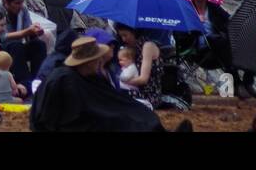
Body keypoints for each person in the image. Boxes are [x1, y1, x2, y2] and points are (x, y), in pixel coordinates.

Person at [32, 36, 163, 132]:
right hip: (75, 123)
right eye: (97, 59)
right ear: (89, 62)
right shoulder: (64, 80)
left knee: (140, 115)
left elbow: (109, 98)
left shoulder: (88, 75)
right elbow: (64, 116)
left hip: (89, 117)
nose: (101, 61)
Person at [1, 0, 47, 89]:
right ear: (5, 2)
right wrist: (25, 32)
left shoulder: (23, 9)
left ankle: (39, 81)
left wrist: (35, 31)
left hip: (19, 46)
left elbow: (28, 29)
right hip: (2, 48)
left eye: (22, 2)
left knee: (39, 44)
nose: (20, 5)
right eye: (17, 3)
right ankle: (25, 84)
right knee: (16, 46)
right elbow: (1, 37)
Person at [113, 24, 164, 109]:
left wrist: (121, 82)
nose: (123, 39)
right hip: (136, 90)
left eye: (125, 35)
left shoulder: (147, 46)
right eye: (121, 36)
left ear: (134, 32)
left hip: (149, 94)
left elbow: (143, 79)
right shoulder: (131, 48)